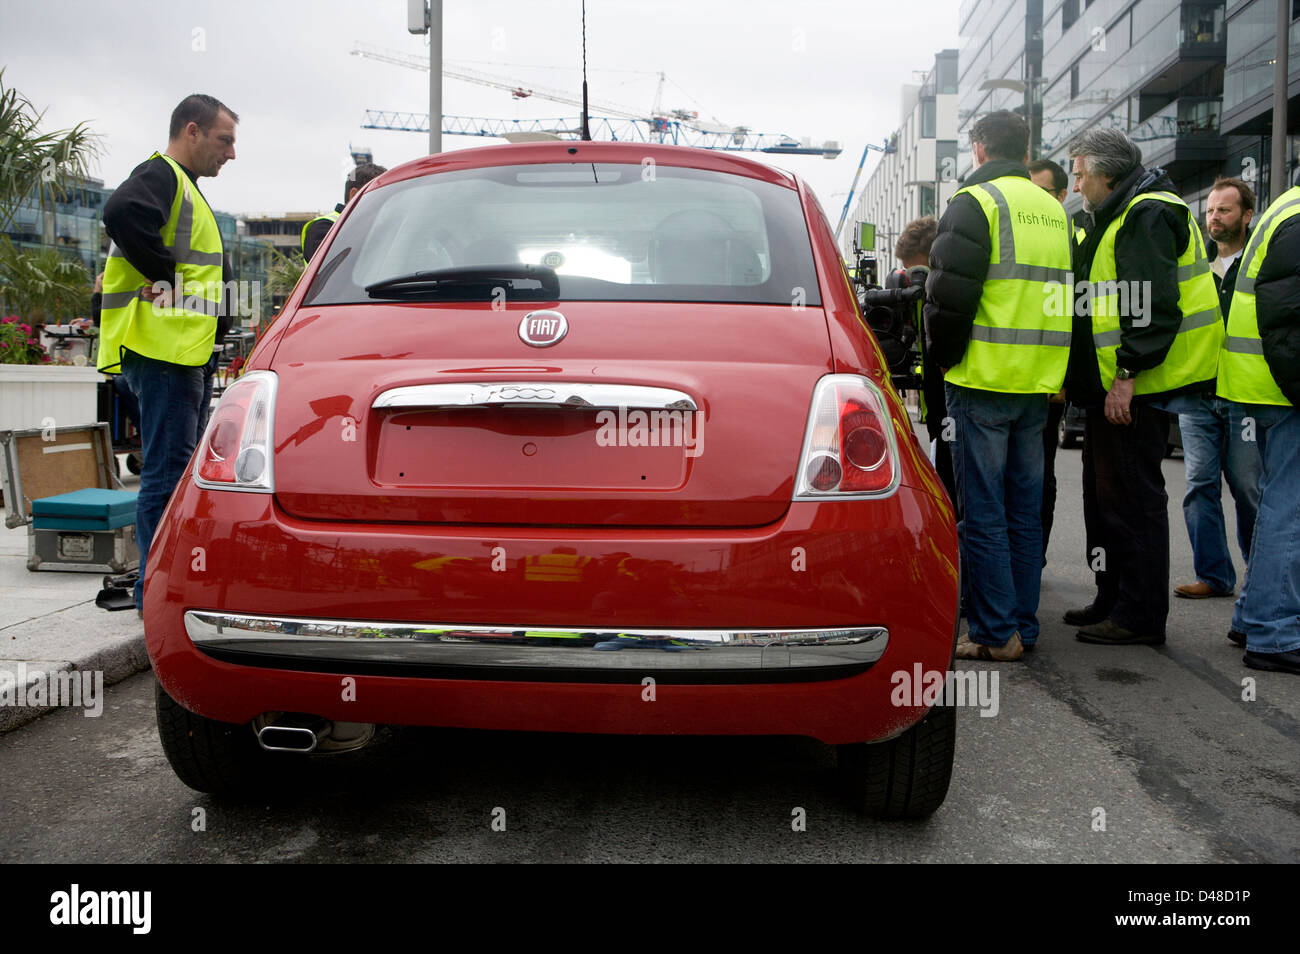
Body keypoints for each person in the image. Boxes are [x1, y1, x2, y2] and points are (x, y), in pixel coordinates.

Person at [1064, 128, 1223, 646]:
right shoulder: (1116, 214)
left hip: (1138, 386)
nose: (1076, 182)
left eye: (1081, 172)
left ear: (1106, 174)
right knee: (1105, 498)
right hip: (1118, 385)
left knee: (1132, 499)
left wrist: (1126, 378)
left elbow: (1151, 307)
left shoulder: (1146, 213)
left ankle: (1138, 614)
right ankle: (1112, 597)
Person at [925, 111, 1073, 661]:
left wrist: (941, 361)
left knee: (982, 511)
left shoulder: (975, 202)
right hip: (1037, 383)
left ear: (980, 149)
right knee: (1022, 511)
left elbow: (947, 298)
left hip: (984, 378)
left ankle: (993, 631)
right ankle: (1022, 627)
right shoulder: (1054, 211)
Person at [99, 93, 238, 612]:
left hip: (183, 351)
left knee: (175, 472)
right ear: (193, 131)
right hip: (165, 352)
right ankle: (153, 596)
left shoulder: (185, 190)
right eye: (224, 140)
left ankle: (159, 588)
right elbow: (120, 211)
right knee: (165, 471)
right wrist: (170, 281)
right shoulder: (162, 176)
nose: (230, 153)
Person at [1217, 181, 1300, 674]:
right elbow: (1286, 314)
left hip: (1262, 383)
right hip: (1280, 386)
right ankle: (1273, 632)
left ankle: (1254, 618)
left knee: (1278, 503)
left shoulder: (1287, 206)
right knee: (1288, 507)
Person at [1168, 177, 1262, 599]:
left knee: (1246, 487)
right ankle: (1214, 575)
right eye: (1210, 210)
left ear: (1246, 215)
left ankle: (1259, 577)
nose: (1214, 218)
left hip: (1242, 395)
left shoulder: (1257, 266)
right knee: (1199, 485)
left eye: (1224, 210)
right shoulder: (1196, 268)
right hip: (1198, 394)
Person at [1027, 158, 1071, 564]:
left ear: (1062, 196)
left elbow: (1078, 317)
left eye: (1043, 193)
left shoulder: (1072, 239)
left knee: (1040, 476)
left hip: (1049, 383)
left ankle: (1033, 557)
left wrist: (1063, 379)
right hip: (1014, 375)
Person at [894, 216, 955, 504]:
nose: (914, 281)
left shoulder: (950, 294)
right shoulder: (908, 299)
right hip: (934, 411)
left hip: (951, 403)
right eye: (907, 273)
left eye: (920, 271)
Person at [301, 162, 387, 260]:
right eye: (378, 196)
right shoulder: (323, 227)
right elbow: (338, 267)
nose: (383, 203)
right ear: (354, 195)